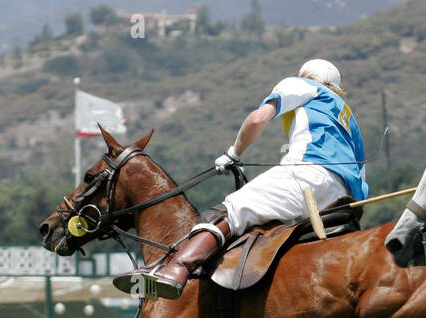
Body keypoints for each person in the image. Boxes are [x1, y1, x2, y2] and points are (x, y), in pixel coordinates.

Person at [117, 58, 368, 301]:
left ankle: (175, 270)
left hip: (307, 175)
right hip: (342, 199)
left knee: (231, 211)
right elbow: (361, 184)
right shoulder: (350, 121)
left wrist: (233, 153)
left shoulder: (302, 84)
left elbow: (257, 119)